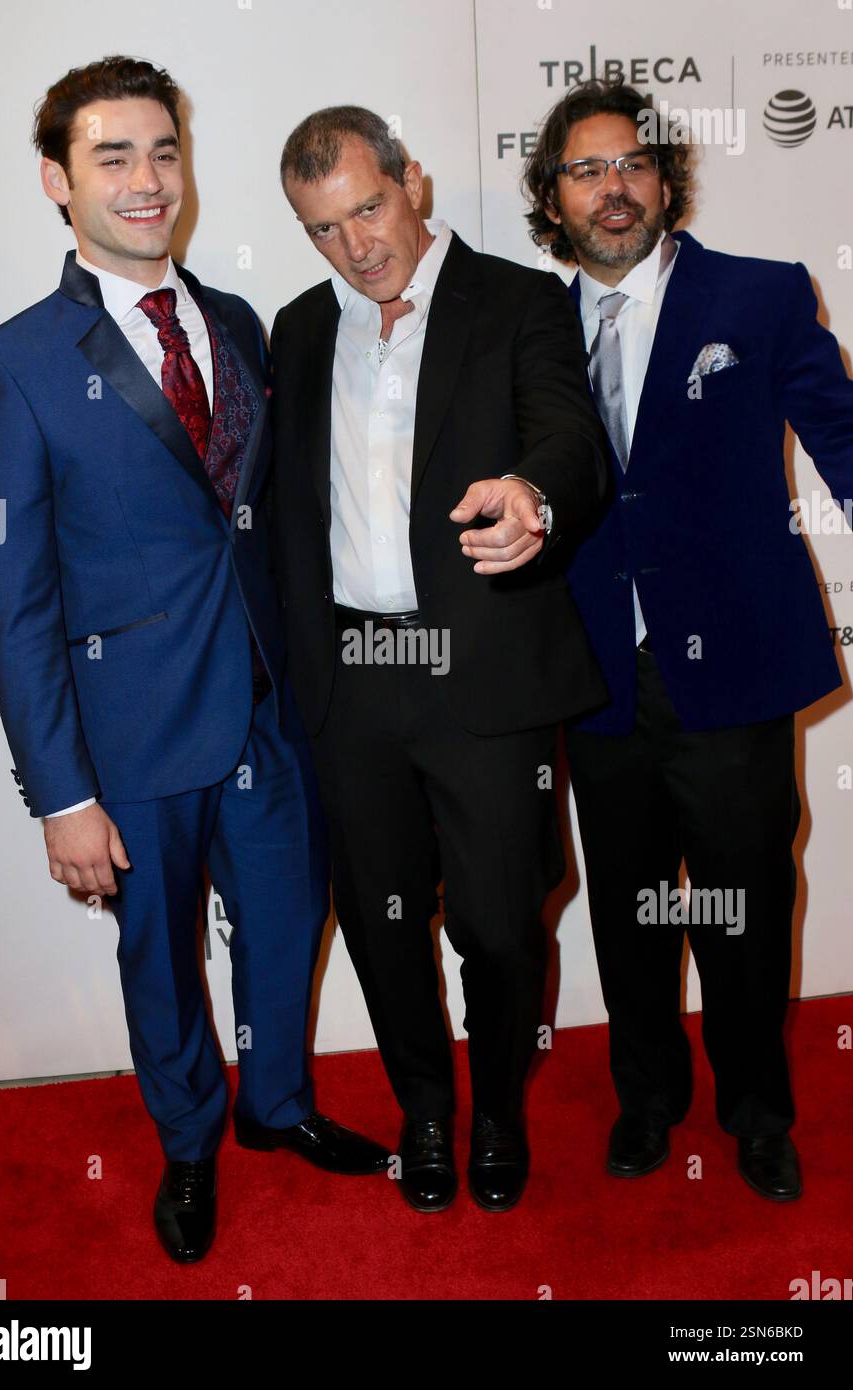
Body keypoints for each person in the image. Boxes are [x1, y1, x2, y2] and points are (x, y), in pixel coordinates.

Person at [0, 57, 388, 1266]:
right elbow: (11, 600)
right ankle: (188, 1141)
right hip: (130, 734)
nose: (147, 182)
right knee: (162, 954)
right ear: (56, 177)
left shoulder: (237, 321)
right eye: (112, 156)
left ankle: (278, 1104)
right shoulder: (11, 365)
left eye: (162, 151)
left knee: (291, 915)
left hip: (270, 711)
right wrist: (63, 793)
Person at [270, 106, 609, 1213]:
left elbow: (569, 439)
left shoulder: (517, 302)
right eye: (325, 228)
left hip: (486, 671)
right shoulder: (298, 329)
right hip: (352, 677)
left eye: (369, 207)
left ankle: (498, 1106)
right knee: (379, 920)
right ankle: (425, 1108)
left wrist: (534, 495)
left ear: (411, 180)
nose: (356, 245)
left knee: (502, 923)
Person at [522, 76, 853, 1201]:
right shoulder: (532, 331)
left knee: (745, 905)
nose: (612, 190)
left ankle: (757, 1110)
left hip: (734, 669)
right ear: (552, 199)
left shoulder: (758, 298)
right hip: (599, 677)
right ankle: (646, 1097)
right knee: (628, 907)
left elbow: (843, 439)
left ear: (663, 180)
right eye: (585, 171)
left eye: (630, 166)